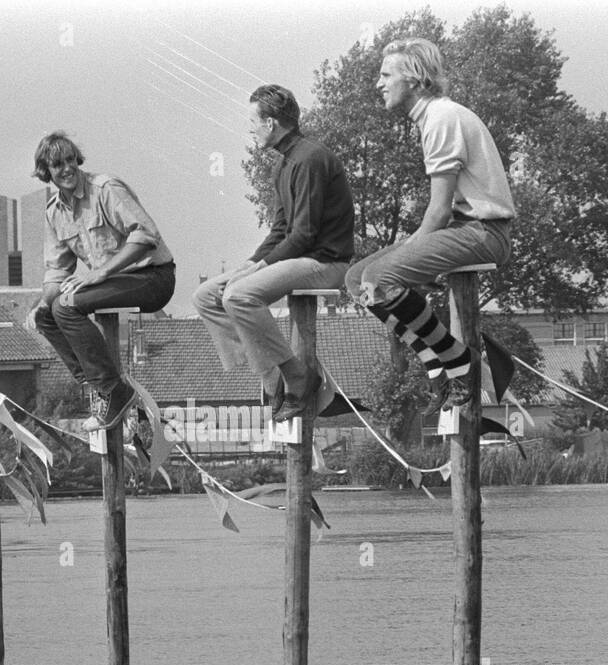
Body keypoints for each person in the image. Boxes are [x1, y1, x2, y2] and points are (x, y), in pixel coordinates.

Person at [345, 37, 515, 407]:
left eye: (386, 75)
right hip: (463, 228)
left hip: (484, 232)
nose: (378, 84)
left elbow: (438, 211)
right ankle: (435, 363)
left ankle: (459, 360)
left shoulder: (441, 118)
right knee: (356, 279)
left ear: (414, 79)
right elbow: (441, 213)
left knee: (379, 279)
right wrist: (411, 248)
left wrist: (411, 248)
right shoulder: (433, 117)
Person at [192, 85, 355, 422]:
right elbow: (281, 230)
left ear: (270, 123)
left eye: (253, 122)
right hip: (301, 258)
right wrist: (250, 263)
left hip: (326, 262)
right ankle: (270, 373)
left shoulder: (310, 159)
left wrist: (254, 272)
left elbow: (304, 235)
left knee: (238, 295)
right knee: (205, 295)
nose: (250, 129)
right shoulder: (283, 164)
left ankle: (296, 376)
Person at [26, 132, 176, 430]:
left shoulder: (105, 188)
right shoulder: (54, 212)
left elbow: (146, 235)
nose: (67, 168)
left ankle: (113, 392)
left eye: (71, 160)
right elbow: (56, 271)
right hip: (114, 283)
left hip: (152, 277)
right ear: (46, 171)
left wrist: (100, 272)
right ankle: (100, 388)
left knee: (67, 306)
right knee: (48, 313)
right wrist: (40, 305)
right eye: (58, 164)